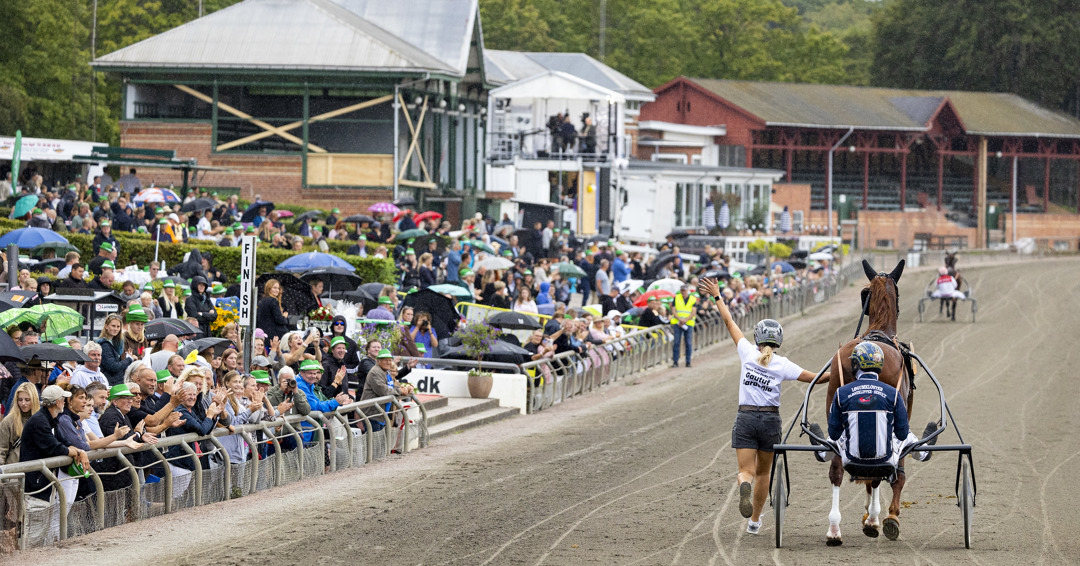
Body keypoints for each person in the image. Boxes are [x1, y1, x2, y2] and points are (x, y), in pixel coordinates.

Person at [699, 277, 821, 535]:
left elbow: (729, 322)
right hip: (769, 421)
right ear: (778, 342)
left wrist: (718, 296)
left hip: (745, 418)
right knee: (764, 474)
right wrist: (842, 370)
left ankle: (744, 483)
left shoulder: (746, 352)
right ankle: (754, 521)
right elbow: (816, 378)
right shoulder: (783, 364)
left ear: (756, 338)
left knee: (746, 471)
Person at [827, 342, 921, 469]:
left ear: (855, 365)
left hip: (850, 461)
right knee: (907, 435)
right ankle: (923, 452)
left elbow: (834, 433)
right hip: (886, 461)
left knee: (834, 436)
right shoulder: (893, 393)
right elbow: (902, 434)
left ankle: (822, 453)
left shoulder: (840, 393)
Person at [20, 385, 90, 502]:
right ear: (58, 402)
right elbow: (55, 447)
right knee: (38, 518)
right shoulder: (39, 421)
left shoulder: (50, 419)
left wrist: (80, 451)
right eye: (63, 399)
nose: (64, 402)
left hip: (45, 481)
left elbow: (64, 442)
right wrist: (77, 451)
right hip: (35, 485)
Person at [359, 349, 415, 432]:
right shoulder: (375, 372)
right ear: (378, 361)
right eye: (385, 360)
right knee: (374, 443)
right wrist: (401, 391)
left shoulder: (385, 371)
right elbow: (384, 391)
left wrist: (405, 389)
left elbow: (391, 387)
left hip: (381, 413)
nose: (388, 362)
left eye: (390, 360)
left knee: (381, 442)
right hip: (372, 414)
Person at [0, 383, 40, 464]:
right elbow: (1, 450)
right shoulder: (8, 421)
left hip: (36, 469)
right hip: (14, 471)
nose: (23, 403)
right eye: (20, 400)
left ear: (34, 399)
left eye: (27, 400)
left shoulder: (41, 419)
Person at [97, 314, 134, 386]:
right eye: (113, 326)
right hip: (110, 383)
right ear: (106, 326)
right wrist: (129, 359)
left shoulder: (115, 343)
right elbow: (113, 366)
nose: (116, 329)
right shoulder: (104, 345)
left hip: (116, 381)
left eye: (118, 327)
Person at [670, 284, 697, 368]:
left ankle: (688, 361)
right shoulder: (677, 297)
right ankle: (675, 361)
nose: (683, 292)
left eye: (684, 290)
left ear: (687, 291)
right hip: (678, 323)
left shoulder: (693, 299)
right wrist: (680, 319)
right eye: (682, 290)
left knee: (688, 342)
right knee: (676, 342)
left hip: (688, 323)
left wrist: (685, 320)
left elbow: (693, 312)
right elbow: (673, 310)